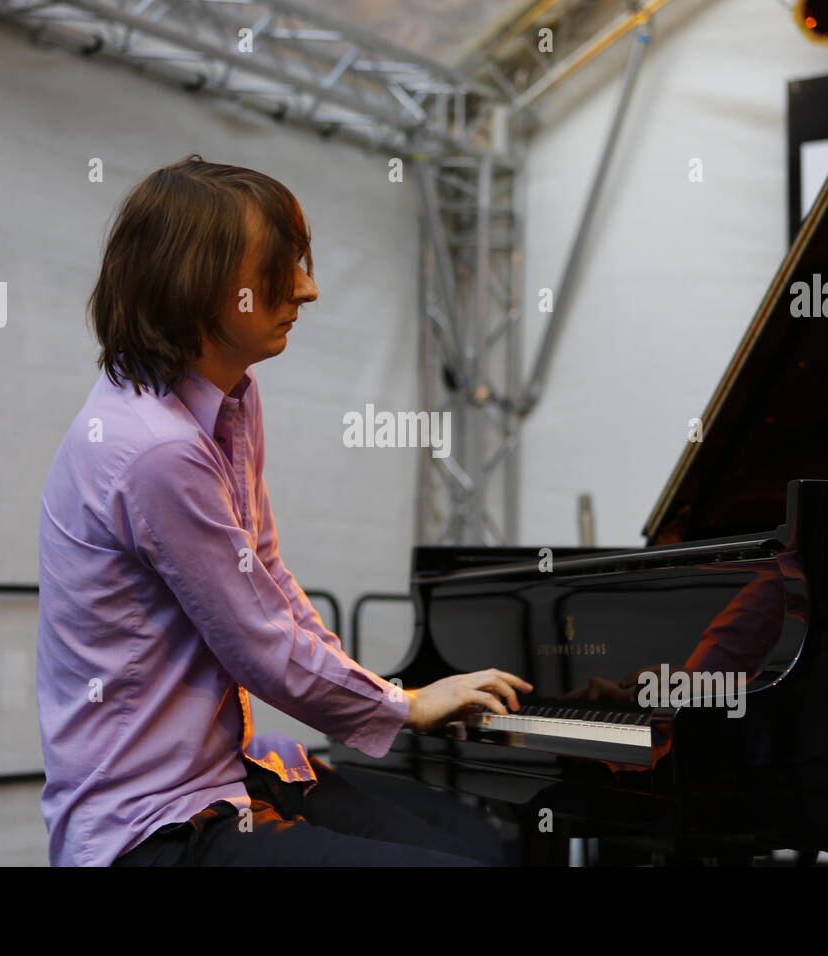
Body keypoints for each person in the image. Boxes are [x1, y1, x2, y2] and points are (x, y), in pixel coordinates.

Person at [35, 154, 531, 867]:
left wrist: (387, 699)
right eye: (281, 267)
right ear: (200, 285)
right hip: (152, 823)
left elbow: (265, 573)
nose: (308, 289)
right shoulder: (154, 449)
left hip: (226, 773)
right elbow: (259, 645)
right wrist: (404, 704)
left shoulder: (231, 396)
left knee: (480, 844)